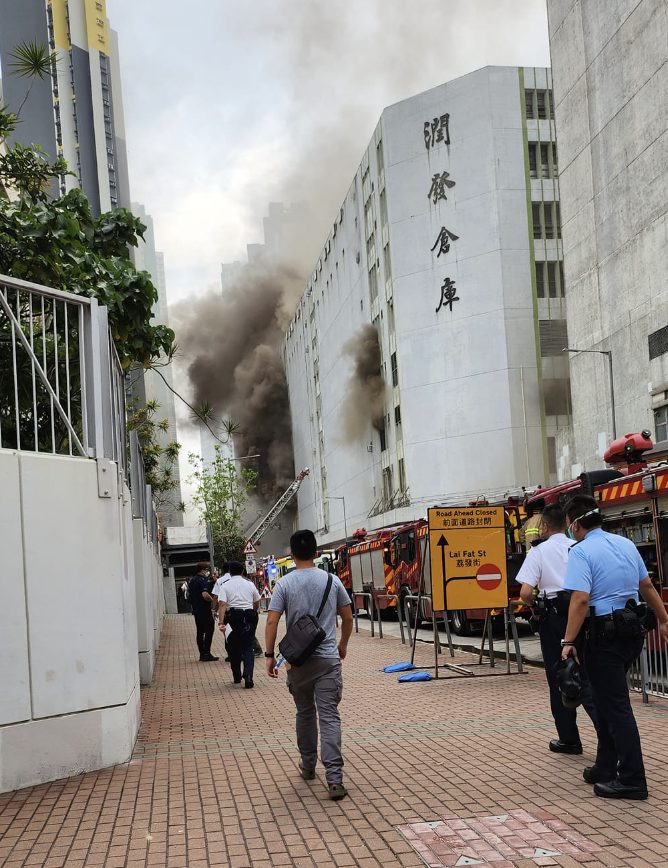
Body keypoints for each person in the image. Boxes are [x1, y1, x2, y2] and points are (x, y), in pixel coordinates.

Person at [561, 495, 668, 799]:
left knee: (616, 708)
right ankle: (605, 766)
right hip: (631, 633)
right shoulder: (625, 544)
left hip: (604, 637)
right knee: (606, 701)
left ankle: (633, 779)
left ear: (575, 524)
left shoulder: (581, 552)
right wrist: (663, 620)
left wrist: (568, 641)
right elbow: (647, 586)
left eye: (569, 524)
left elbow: (580, 599)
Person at [265, 529, 354, 800]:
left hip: (298, 662)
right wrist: (342, 645)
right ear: (316, 552)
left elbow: (272, 620)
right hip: (328, 660)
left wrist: (269, 655)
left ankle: (308, 765)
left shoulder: (284, 584)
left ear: (292, 555)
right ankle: (334, 779)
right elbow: (348, 617)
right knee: (329, 716)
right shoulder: (332, 580)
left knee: (304, 713)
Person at [517, 504, 599, 754]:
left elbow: (525, 592)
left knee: (559, 677)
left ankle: (569, 739)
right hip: (581, 614)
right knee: (586, 675)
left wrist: (534, 607)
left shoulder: (538, 551)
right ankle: (608, 736)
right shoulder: (579, 546)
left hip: (553, 618)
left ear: (544, 526)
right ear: (567, 523)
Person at [217, 561, 260, 687]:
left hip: (233, 618)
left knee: (233, 647)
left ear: (230, 572)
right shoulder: (250, 584)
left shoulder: (225, 585)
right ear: (242, 571)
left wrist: (221, 622)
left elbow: (222, 604)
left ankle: (237, 676)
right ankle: (248, 676)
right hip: (249, 617)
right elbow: (257, 600)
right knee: (248, 647)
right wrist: (253, 610)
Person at [188, 563, 218, 662]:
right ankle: (207, 653)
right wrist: (212, 600)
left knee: (200, 631)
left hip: (196, 609)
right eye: (206, 570)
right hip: (204, 609)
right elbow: (205, 594)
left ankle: (202, 654)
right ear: (202, 570)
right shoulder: (202, 580)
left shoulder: (192, 580)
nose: (207, 572)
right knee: (209, 630)